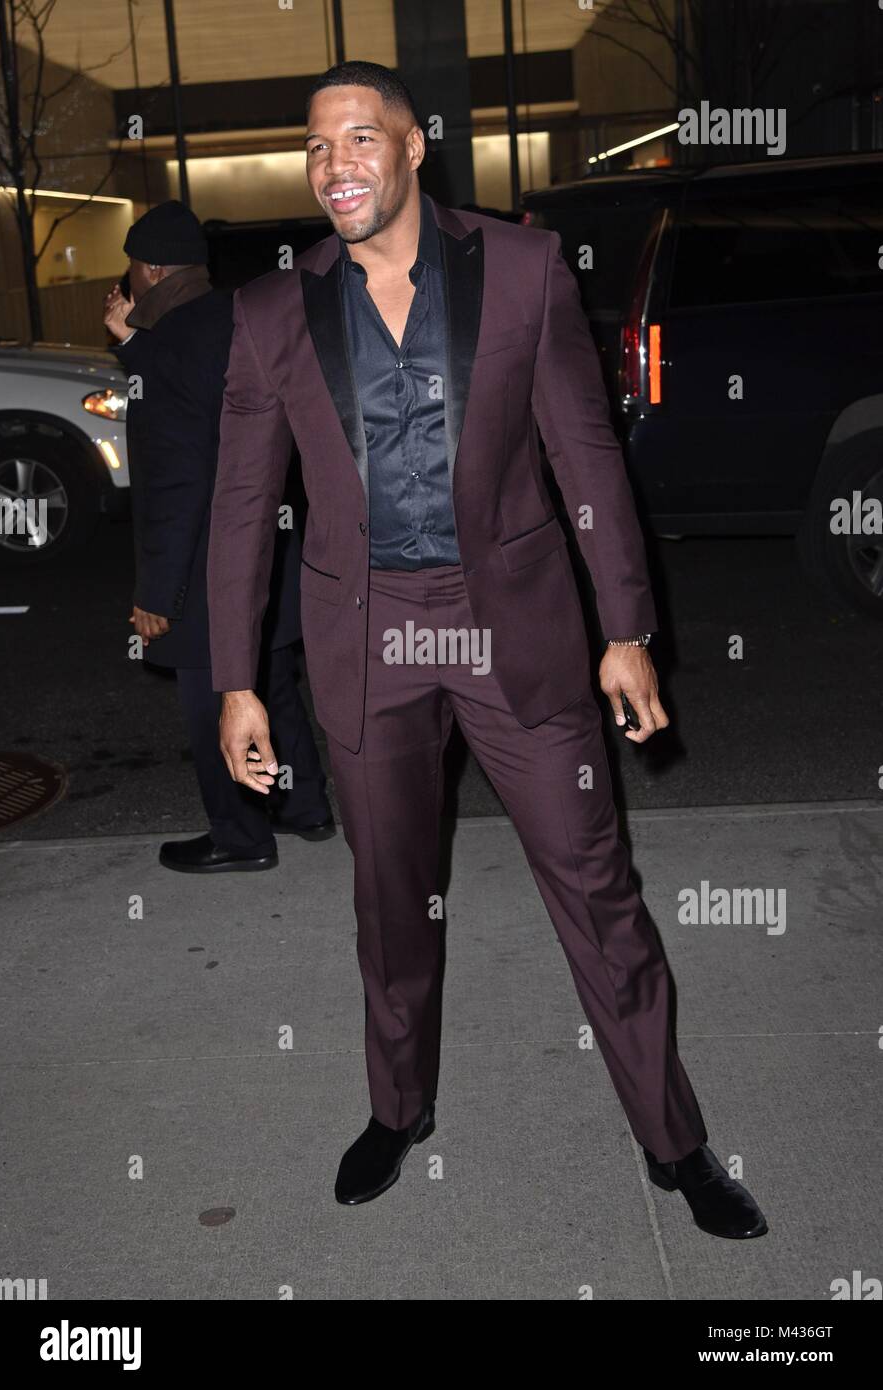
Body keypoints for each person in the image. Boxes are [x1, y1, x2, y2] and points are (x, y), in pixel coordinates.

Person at [206, 63, 767, 1238]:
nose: (334, 166)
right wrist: (236, 682)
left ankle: (674, 1141)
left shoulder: (520, 269)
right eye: (316, 148)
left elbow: (582, 456)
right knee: (390, 901)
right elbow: (240, 507)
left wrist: (625, 628)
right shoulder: (270, 312)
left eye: (360, 138)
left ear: (416, 149)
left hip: (511, 627)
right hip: (366, 646)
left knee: (597, 889)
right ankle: (397, 1107)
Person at [104, 200, 333, 873]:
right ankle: (302, 804)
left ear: (149, 269)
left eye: (131, 270)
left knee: (214, 701)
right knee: (270, 679)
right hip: (273, 542)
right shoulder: (237, 316)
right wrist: (133, 343)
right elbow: (204, 402)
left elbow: (175, 483)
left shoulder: (169, 345)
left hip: (207, 566)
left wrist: (158, 593)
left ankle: (239, 836)